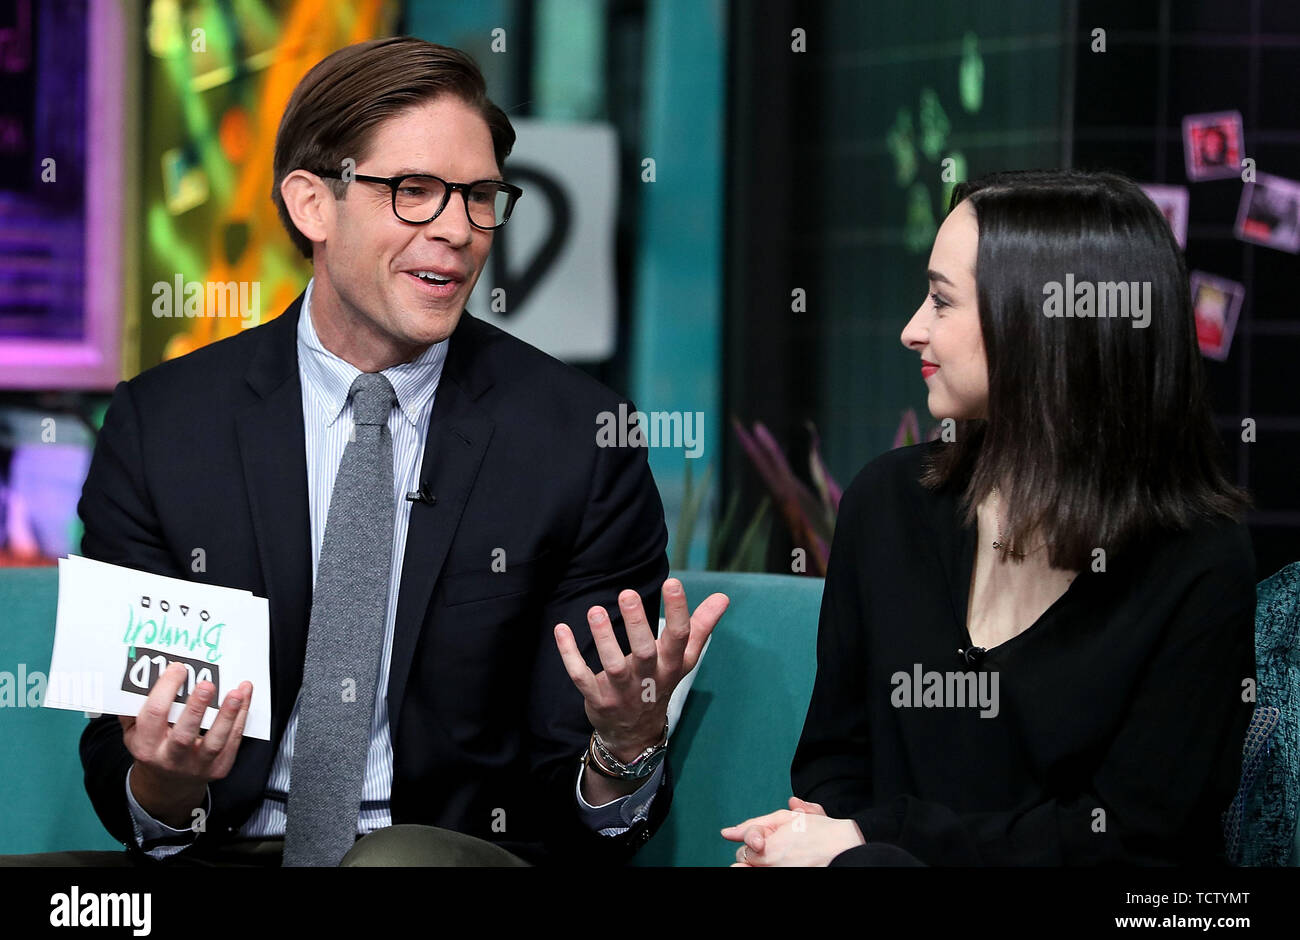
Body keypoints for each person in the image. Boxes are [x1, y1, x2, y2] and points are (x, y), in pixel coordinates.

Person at [4, 37, 727, 868]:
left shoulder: (578, 441)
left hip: (442, 857)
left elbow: (587, 820)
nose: (458, 230)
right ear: (312, 204)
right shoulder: (164, 426)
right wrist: (168, 782)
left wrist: (623, 749)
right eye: (415, 192)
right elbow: (128, 778)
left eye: (481, 196)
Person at [722, 169, 1256, 866]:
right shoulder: (886, 505)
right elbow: (833, 768)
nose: (912, 329)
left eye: (942, 301)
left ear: (1043, 325)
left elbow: (1131, 839)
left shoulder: (1197, 560)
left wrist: (879, 843)